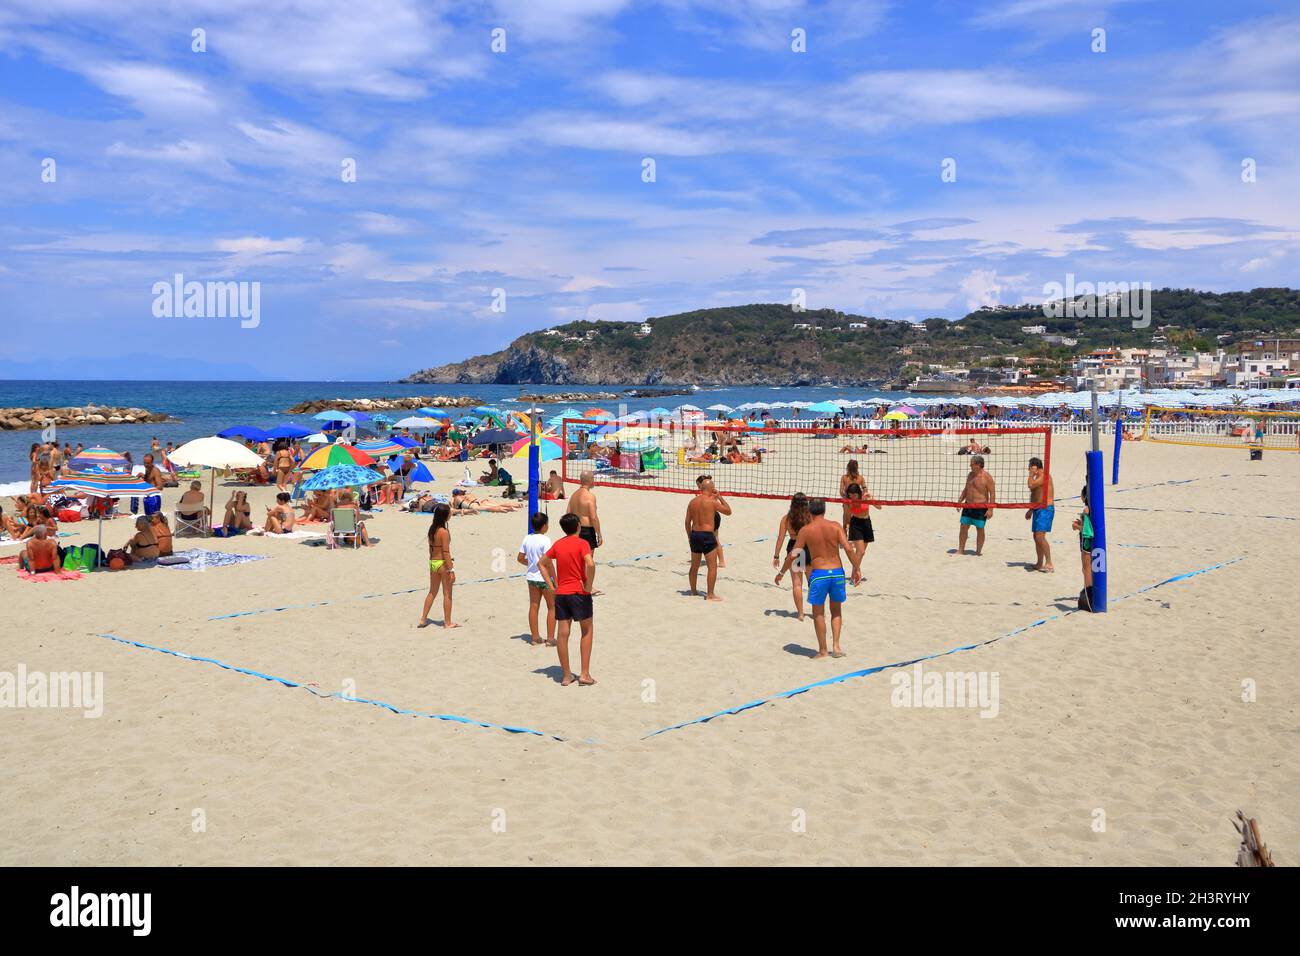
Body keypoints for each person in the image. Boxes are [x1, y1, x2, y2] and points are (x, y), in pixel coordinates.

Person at [775, 497, 860, 659]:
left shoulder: (806, 531)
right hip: (836, 573)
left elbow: (794, 555)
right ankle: (836, 646)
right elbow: (849, 549)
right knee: (836, 611)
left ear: (810, 511)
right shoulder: (835, 526)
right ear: (824, 510)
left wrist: (781, 572)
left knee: (818, 613)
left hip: (819, 574)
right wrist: (856, 568)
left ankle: (822, 650)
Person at [537, 512, 596, 686]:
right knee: (587, 630)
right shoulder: (582, 543)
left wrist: (551, 585)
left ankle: (566, 675)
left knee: (562, 635)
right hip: (578, 593)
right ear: (578, 526)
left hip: (561, 594)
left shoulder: (558, 544)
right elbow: (590, 563)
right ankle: (584, 674)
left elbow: (541, 563)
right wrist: (588, 585)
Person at [685, 477, 731, 600]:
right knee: (712, 567)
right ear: (711, 489)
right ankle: (710, 595)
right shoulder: (712, 502)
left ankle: (693, 591)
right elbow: (728, 511)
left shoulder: (692, 502)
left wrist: (690, 536)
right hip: (707, 535)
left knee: (694, 566)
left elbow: (687, 522)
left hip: (694, 534)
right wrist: (720, 497)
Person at [517, 512, 556, 647]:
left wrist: (531, 564)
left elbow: (520, 558)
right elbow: (549, 562)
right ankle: (550, 638)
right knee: (552, 607)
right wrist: (554, 578)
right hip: (544, 577)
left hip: (531, 577)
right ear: (544, 525)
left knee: (534, 606)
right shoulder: (546, 540)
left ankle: (535, 637)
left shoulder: (527, 538)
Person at [772, 492, 812, 621]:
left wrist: (776, 555)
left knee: (797, 584)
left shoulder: (787, 518)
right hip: (808, 546)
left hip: (794, 547)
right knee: (813, 583)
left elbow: (780, 538)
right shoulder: (809, 517)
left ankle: (800, 614)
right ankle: (818, 611)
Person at [418, 504, 458, 628]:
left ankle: (423, 619)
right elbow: (446, 552)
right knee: (447, 594)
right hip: (442, 564)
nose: (451, 514)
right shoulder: (443, 532)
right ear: (444, 516)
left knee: (432, 592)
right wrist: (451, 569)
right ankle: (447, 622)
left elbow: (432, 549)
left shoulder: (432, 529)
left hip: (433, 563)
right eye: (449, 513)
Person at [954, 455, 995, 556]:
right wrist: (960, 501)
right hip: (968, 505)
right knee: (963, 527)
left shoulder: (987, 477)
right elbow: (966, 489)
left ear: (979, 465)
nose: (970, 465)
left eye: (972, 464)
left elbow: (992, 493)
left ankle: (978, 551)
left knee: (979, 528)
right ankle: (960, 550)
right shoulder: (970, 475)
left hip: (981, 507)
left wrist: (990, 509)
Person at [843, 482, 879, 579]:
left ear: (858, 493)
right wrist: (846, 527)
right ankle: (855, 573)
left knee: (860, 553)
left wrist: (871, 498)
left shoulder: (865, 497)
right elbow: (847, 515)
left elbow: (879, 507)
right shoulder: (848, 501)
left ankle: (854, 572)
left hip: (866, 523)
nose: (853, 497)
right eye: (851, 495)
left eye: (854, 495)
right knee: (861, 551)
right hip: (855, 524)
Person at [1025, 456, 1054, 572]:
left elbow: (1030, 485)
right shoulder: (1038, 477)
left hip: (1046, 509)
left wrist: (1031, 474)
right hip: (1038, 508)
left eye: (1030, 468)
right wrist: (1031, 510)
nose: (1028, 470)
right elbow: (1036, 495)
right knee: (1036, 537)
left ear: (1035, 467)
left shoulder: (1044, 476)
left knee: (1040, 537)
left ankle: (1049, 563)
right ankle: (1039, 563)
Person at [695, 473, 726, 568]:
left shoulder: (710, 493)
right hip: (712, 516)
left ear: (702, 484)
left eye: (698, 484)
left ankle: (721, 561)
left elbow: (712, 505)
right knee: (711, 539)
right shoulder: (710, 491)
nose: (697, 486)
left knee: (715, 539)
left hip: (712, 516)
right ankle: (719, 560)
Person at [567, 471, 603, 553]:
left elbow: (568, 514)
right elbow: (593, 518)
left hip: (574, 530)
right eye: (593, 479)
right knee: (588, 562)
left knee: (577, 561)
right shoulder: (590, 496)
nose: (594, 481)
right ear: (590, 480)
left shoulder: (574, 495)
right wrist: (599, 535)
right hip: (587, 531)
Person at [1072, 485, 1095, 607]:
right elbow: (1089, 525)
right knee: (1086, 568)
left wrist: (1078, 527)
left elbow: (1088, 531)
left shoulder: (1086, 509)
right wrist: (1082, 523)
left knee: (1086, 568)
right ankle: (1088, 591)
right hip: (1087, 541)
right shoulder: (1090, 508)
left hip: (1086, 542)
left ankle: (1089, 596)